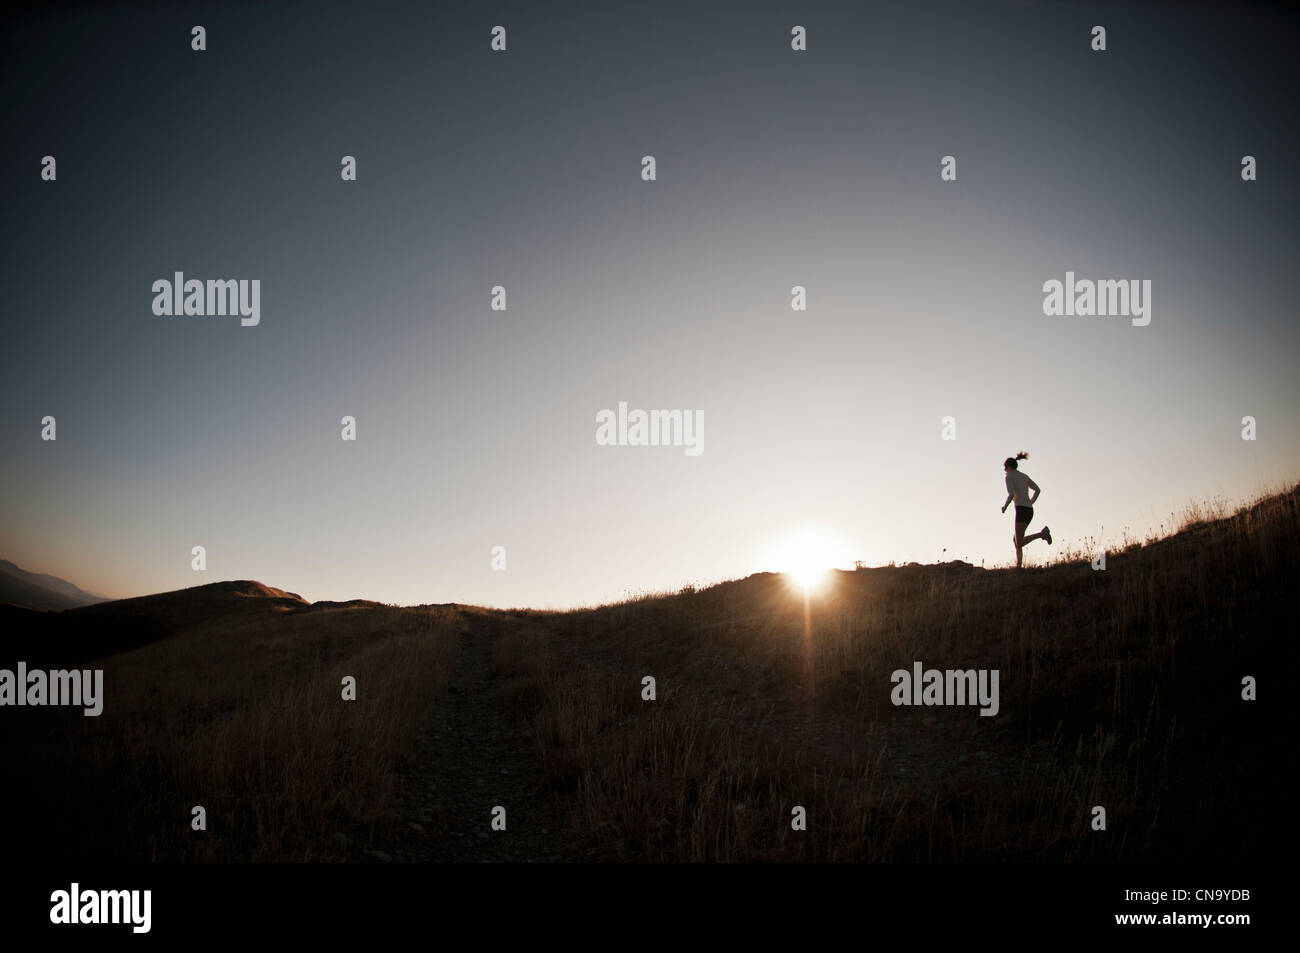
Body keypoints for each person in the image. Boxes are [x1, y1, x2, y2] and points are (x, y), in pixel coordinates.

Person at [1000, 452, 1051, 567]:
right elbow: (1037, 490)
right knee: (1017, 539)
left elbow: (1011, 494)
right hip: (1029, 510)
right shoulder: (1024, 476)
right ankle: (1019, 566)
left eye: (1005, 467)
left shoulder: (1009, 476)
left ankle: (1042, 534)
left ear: (1009, 467)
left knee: (1019, 542)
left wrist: (1005, 506)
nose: (1004, 470)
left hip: (1021, 510)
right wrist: (1031, 502)